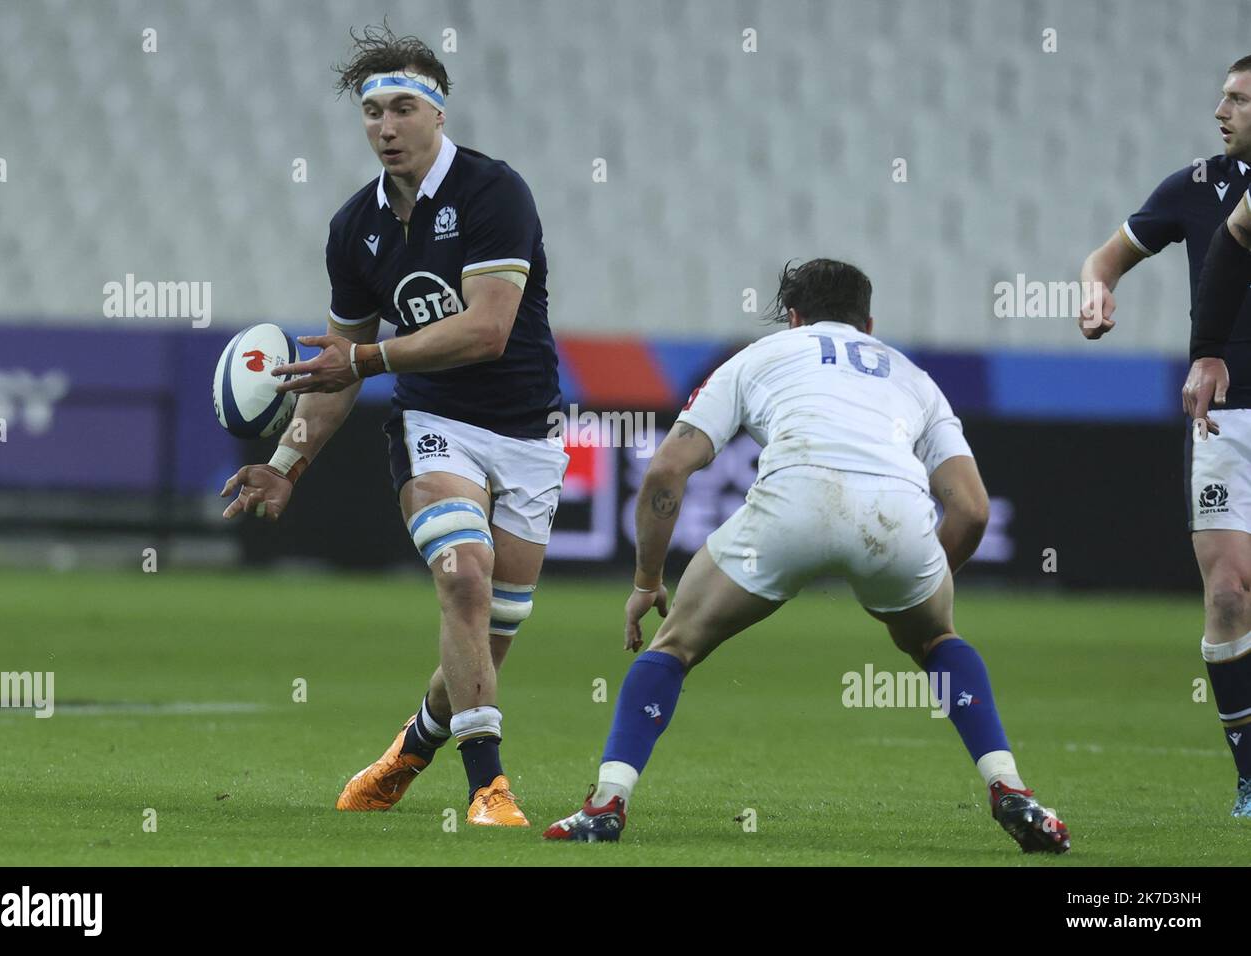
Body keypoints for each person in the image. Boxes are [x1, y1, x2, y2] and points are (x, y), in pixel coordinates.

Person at [543, 259, 1070, 852]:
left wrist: (645, 580)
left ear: (792, 318)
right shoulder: (914, 378)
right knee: (938, 642)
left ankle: (606, 804)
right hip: (894, 516)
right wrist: (922, 587)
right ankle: (1010, 789)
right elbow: (972, 509)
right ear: (868, 322)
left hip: (793, 501)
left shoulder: (757, 357)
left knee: (675, 646)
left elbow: (668, 469)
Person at [219, 23, 567, 827]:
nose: (384, 127)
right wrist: (286, 464)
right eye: (372, 111)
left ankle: (412, 745)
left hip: (526, 434)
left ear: (438, 115)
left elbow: (486, 330)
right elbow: (334, 371)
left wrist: (365, 358)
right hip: (433, 422)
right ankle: (490, 787)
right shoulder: (354, 229)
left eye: (402, 108)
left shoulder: (494, 194)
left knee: (490, 633)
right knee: (463, 578)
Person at [1079, 55, 1251, 817]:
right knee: (1226, 593)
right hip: (1224, 413)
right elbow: (1106, 257)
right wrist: (1095, 293)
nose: (1222, 111)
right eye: (1223, 97)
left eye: (1240, 100)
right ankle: (1249, 775)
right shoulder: (1195, 186)